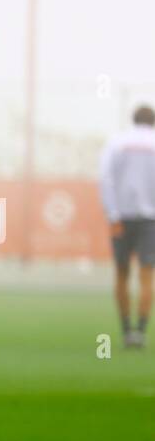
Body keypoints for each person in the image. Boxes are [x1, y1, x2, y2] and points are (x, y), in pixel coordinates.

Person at [98, 104, 155, 350]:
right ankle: (140, 332)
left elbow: (105, 177)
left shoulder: (117, 142)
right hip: (150, 219)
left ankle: (125, 330)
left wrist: (113, 214)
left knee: (121, 273)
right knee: (147, 276)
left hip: (121, 216)